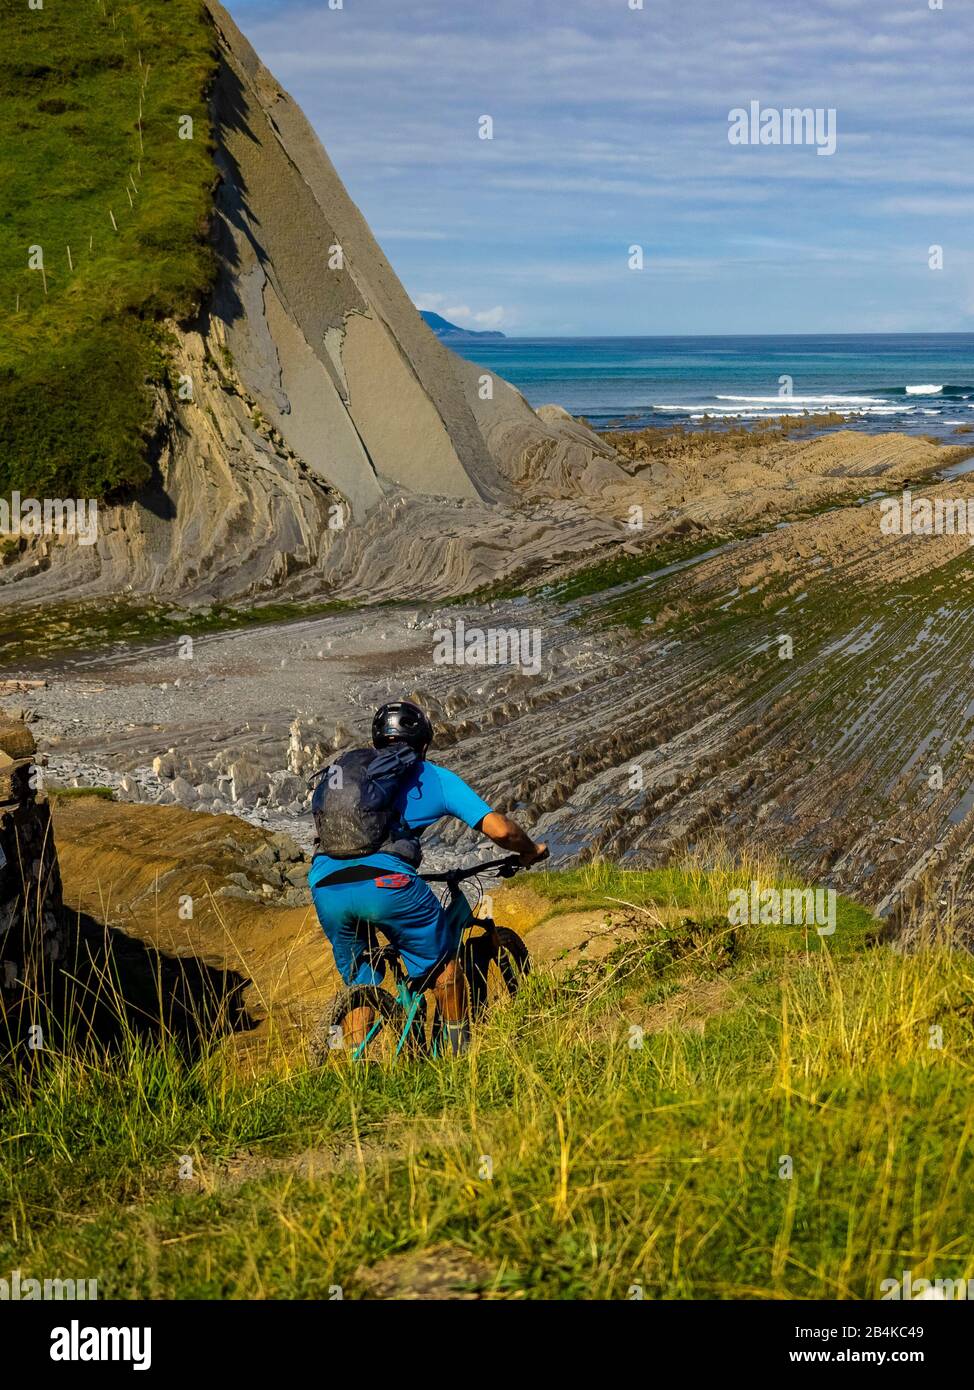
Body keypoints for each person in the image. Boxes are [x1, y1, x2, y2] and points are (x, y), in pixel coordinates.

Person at [309, 700, 547, 1054]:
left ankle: (356, 1074)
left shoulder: (351, 776)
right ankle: (456, 1058)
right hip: (386, 886)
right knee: (446, 972)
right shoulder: (431, 776)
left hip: (326, 884)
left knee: (361, 986)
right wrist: (529, 850)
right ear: (423, 744)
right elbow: (499, 830)